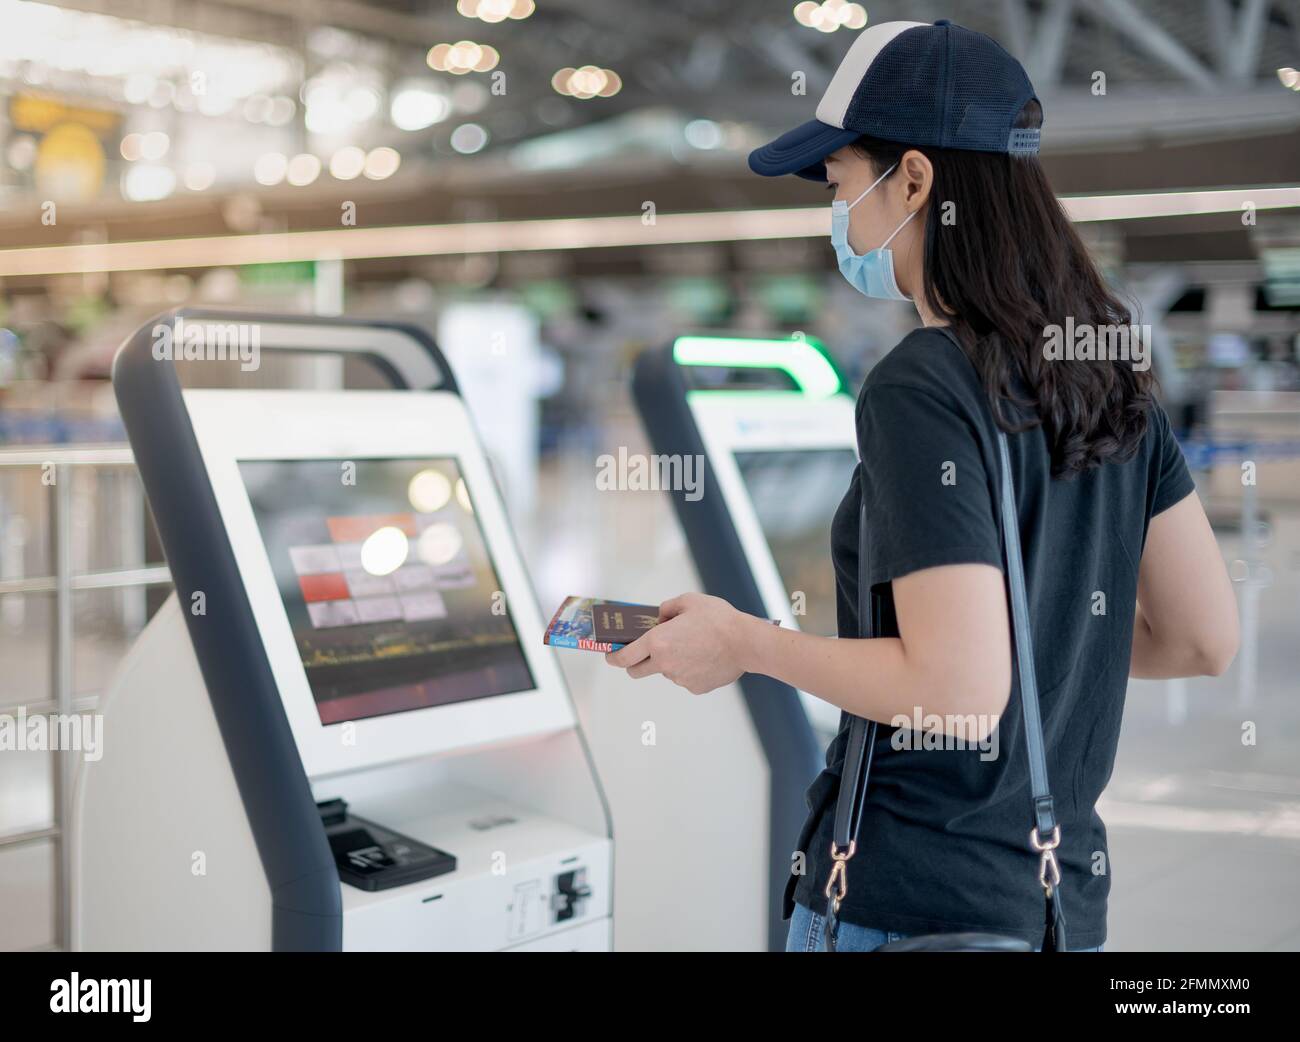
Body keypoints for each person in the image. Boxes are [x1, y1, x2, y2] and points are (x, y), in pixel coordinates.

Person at [605, 19, 1238, 952]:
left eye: (838, 182)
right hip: (1053, 907)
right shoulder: (1110, 376)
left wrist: (744, 643)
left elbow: (956, 687)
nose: (837, 214)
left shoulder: (923, 382)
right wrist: (1047, 637)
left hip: (907, 902)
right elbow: (1200, 639)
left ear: (912, 180)